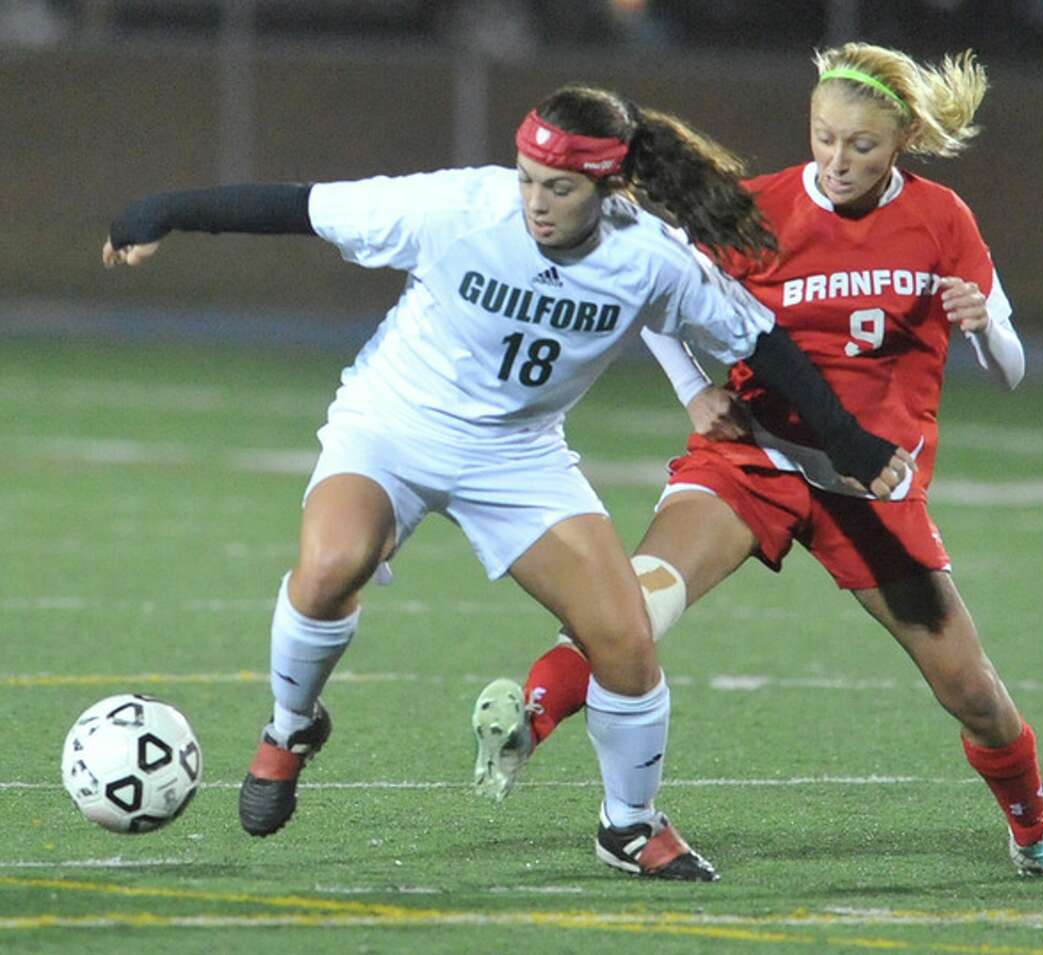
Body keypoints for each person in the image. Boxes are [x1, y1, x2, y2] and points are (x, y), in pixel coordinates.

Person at [101, 84, 912, 883]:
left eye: (558, 187)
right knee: (328, 566)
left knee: (624, 638)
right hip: (394, 424)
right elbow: (298, 206)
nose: (536, 201)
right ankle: (289, 728)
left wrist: (847, 440)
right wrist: (166, 210)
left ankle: (629, 824)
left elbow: (762, 339)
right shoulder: (458, 207)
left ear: (609, 186)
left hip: (517, 457)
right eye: (527, 177)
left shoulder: (649, 256)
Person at [472, 46, 1043, 885]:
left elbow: (1011, 371)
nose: (837, 161)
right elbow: (662, 290)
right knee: (637, 601)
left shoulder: (942, 218)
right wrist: (693, 391)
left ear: (903, 141)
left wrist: (985, 328)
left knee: (972, 691)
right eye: (823, 138)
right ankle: (528, 716)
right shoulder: (756, 209)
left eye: (861, 145)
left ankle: (1034, 835)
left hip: (869, 484)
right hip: (752, 458)